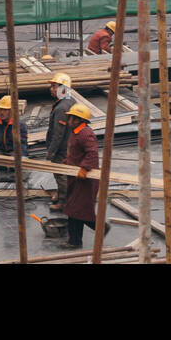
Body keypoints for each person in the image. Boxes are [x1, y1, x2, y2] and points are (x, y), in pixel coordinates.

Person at [63, 103, 109, 248]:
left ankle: (77, 241)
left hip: (86, 179)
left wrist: (84, 168)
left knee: (77, 210)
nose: (68, 119)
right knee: (75, 210)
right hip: (76, 177)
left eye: (71, 117)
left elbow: (92, 153)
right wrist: (67, 162)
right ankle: (76, 240)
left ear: (78, 119)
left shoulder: (85, 133)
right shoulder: (75, 132)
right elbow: (75, 153)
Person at [45, 73, 76, 210]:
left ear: (63, 89)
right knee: (65, 175)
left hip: (61, 149)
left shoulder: (62, 108)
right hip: (69, 146)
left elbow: (58, 134)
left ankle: (63, 202)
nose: (51, 89)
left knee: (60, 175)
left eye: (54, 86)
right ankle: (61, 194)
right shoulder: (70, 102)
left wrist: (51, 153)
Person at [0, 95, 29, 161]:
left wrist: (22, 156)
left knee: (16, 160)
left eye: (5, 110)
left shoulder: (20, 125)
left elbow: (23, 144)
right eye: (0, 109)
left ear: (12, 111)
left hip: (13, 153)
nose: (1, 112)